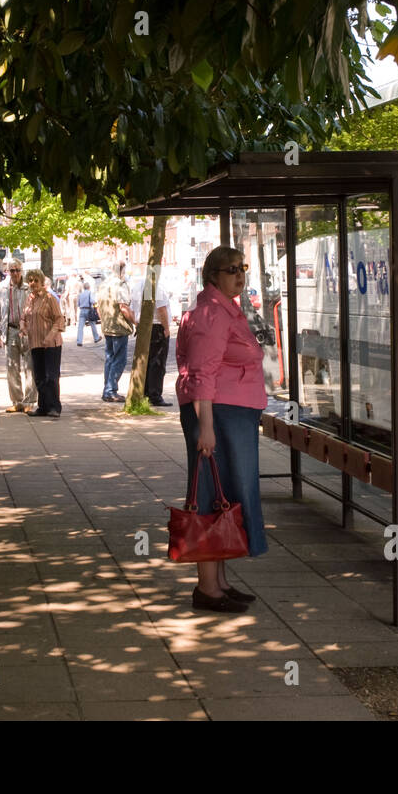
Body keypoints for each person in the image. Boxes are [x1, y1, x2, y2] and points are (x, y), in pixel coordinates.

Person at [175, 246, 268, 613]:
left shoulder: (224, 308)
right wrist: (206, 428)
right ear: (213, 275)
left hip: (233, 413)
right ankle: (207, 588)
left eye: (242, 268)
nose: (239, 275)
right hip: (219, 416)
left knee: (226, 495)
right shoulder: (211, 313)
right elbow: (201, 375)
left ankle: (220, 582)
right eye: (231, 270)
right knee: (213, 493)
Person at [0, 257, 37, 412]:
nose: (15, 273)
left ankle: (29, 402)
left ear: (21, 270)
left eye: (17, 270)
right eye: (12, 270)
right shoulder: (1, 288)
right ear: (7, 271)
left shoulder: (28, 286)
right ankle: (17, 401)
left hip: (28, 331)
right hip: (10, 331)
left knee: (30, 367)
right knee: (12, 367)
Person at [20, 268, 64, 418]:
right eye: (30, 280)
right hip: (35, 342)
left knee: (51, 376)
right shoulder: (29, 298)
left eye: (35, 280)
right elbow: (23, 317)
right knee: (39, 376)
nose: (33, 283)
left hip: (51, 343)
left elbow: (59, 319)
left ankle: (54, 407)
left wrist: (50, 336)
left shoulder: (50, 298)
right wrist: (22, 327)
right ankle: (43, 406)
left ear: (41, 281)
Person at [131, 268, 172, 406]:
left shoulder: (138, 285)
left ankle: (145, 392)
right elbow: (161, 309)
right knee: (157, 363)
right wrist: (166, 328)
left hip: (143, 326)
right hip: (156, 327)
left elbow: (132, 310)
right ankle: (155, 395)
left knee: (145, 362)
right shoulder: (155, 286)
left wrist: (137, 323)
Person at [97, 262, 135, 402]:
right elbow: (123, 307)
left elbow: (98, 308)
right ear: (121, 271)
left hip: (107, 326)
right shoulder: (120, 285)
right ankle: (110, 391)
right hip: (118, 327)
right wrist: (135, 321)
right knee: (119, 360)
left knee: (109, 359)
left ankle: (107, 389)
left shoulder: (103, 285)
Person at [76, 277, 101, 346]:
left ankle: (79, 341)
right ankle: (96, 338)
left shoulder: (80, 294)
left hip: (82, 310)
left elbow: (78, 304)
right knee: (92, 324)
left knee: (80, 327)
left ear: (84, 288)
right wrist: (96, 304)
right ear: (89, 287)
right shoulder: (90, 293)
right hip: (89, 310)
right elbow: (92, 301)